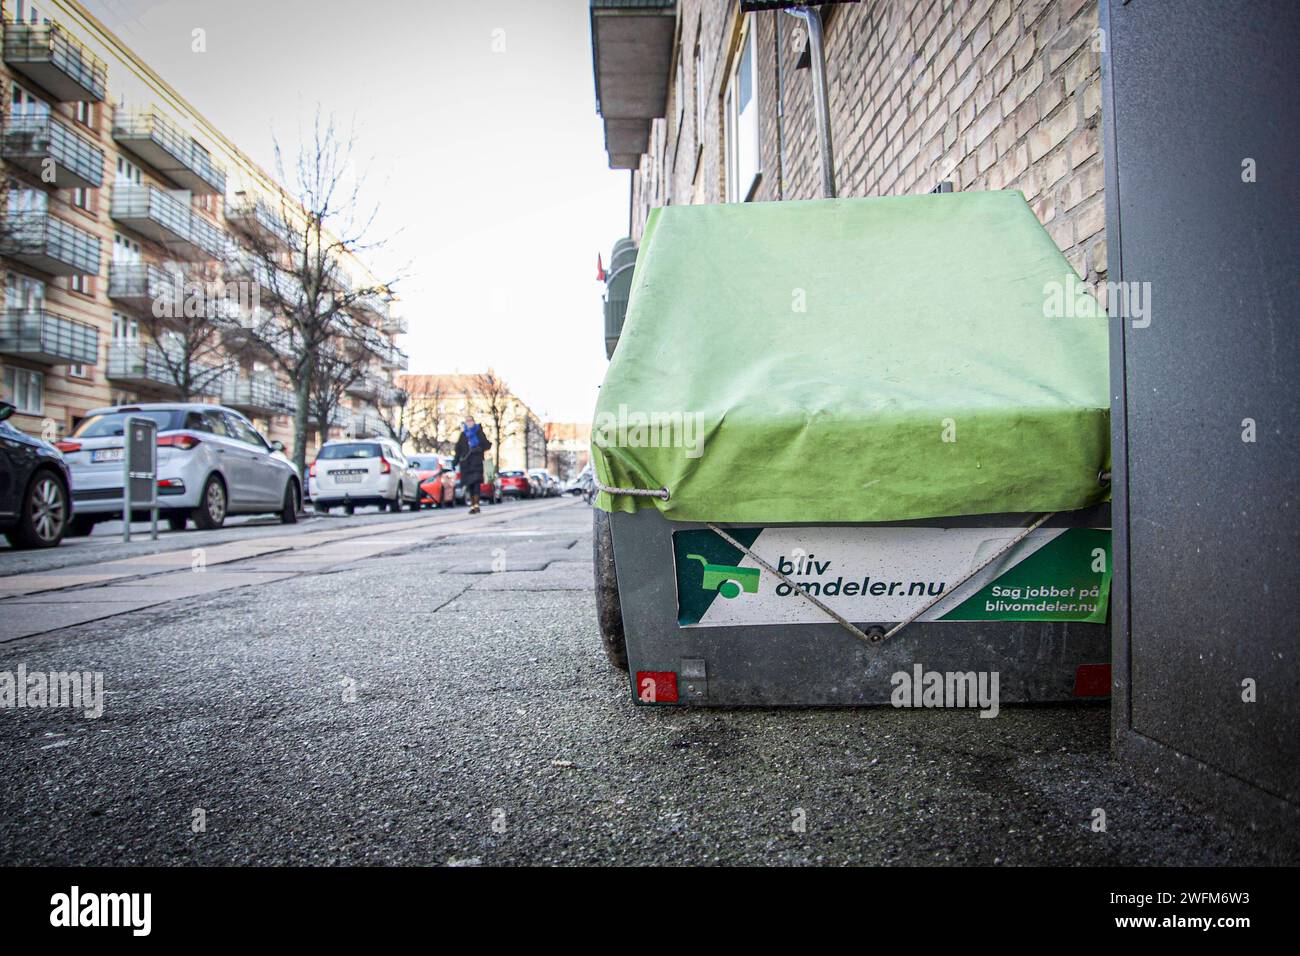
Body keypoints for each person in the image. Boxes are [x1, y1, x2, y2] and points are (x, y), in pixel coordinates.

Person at [453, 416, 492, 514]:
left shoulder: (479, 433)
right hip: (466, 464)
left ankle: (476, 505)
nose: (469, 423)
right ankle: (472, 505)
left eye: (470, 421)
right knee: (470, 485)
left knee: (476, 484)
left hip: (477, 462)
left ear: (474, 422)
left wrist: (479, 448)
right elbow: (458, 450)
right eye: (467, 421)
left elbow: (487, 445)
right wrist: (455, 461)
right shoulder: (463, 435)